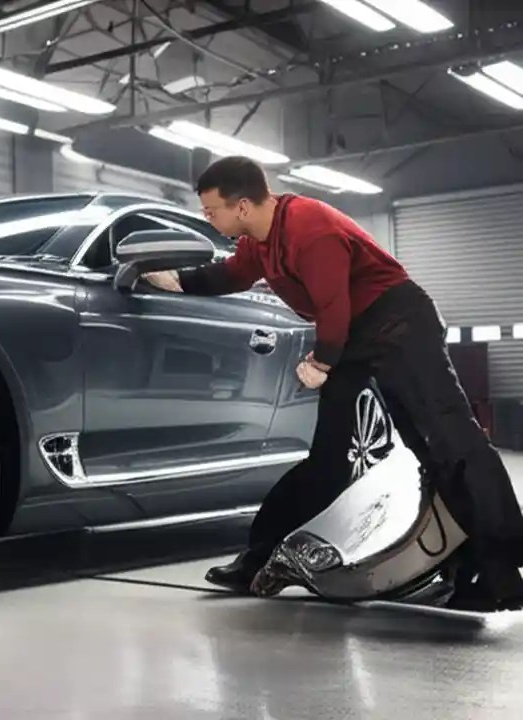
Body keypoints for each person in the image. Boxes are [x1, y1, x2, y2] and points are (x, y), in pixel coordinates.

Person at [143, 155, 523, 611]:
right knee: (329, 458)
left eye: (211, 211)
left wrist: (322, 362)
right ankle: (259, 561)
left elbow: (333, 307)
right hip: (353, 335)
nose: (208, 219)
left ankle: (501, 573)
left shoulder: (309, 227)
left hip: (399, 323)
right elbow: (230, 274)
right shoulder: (260, 242)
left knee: (449, 442)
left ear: (241, 206)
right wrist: (172, 281)